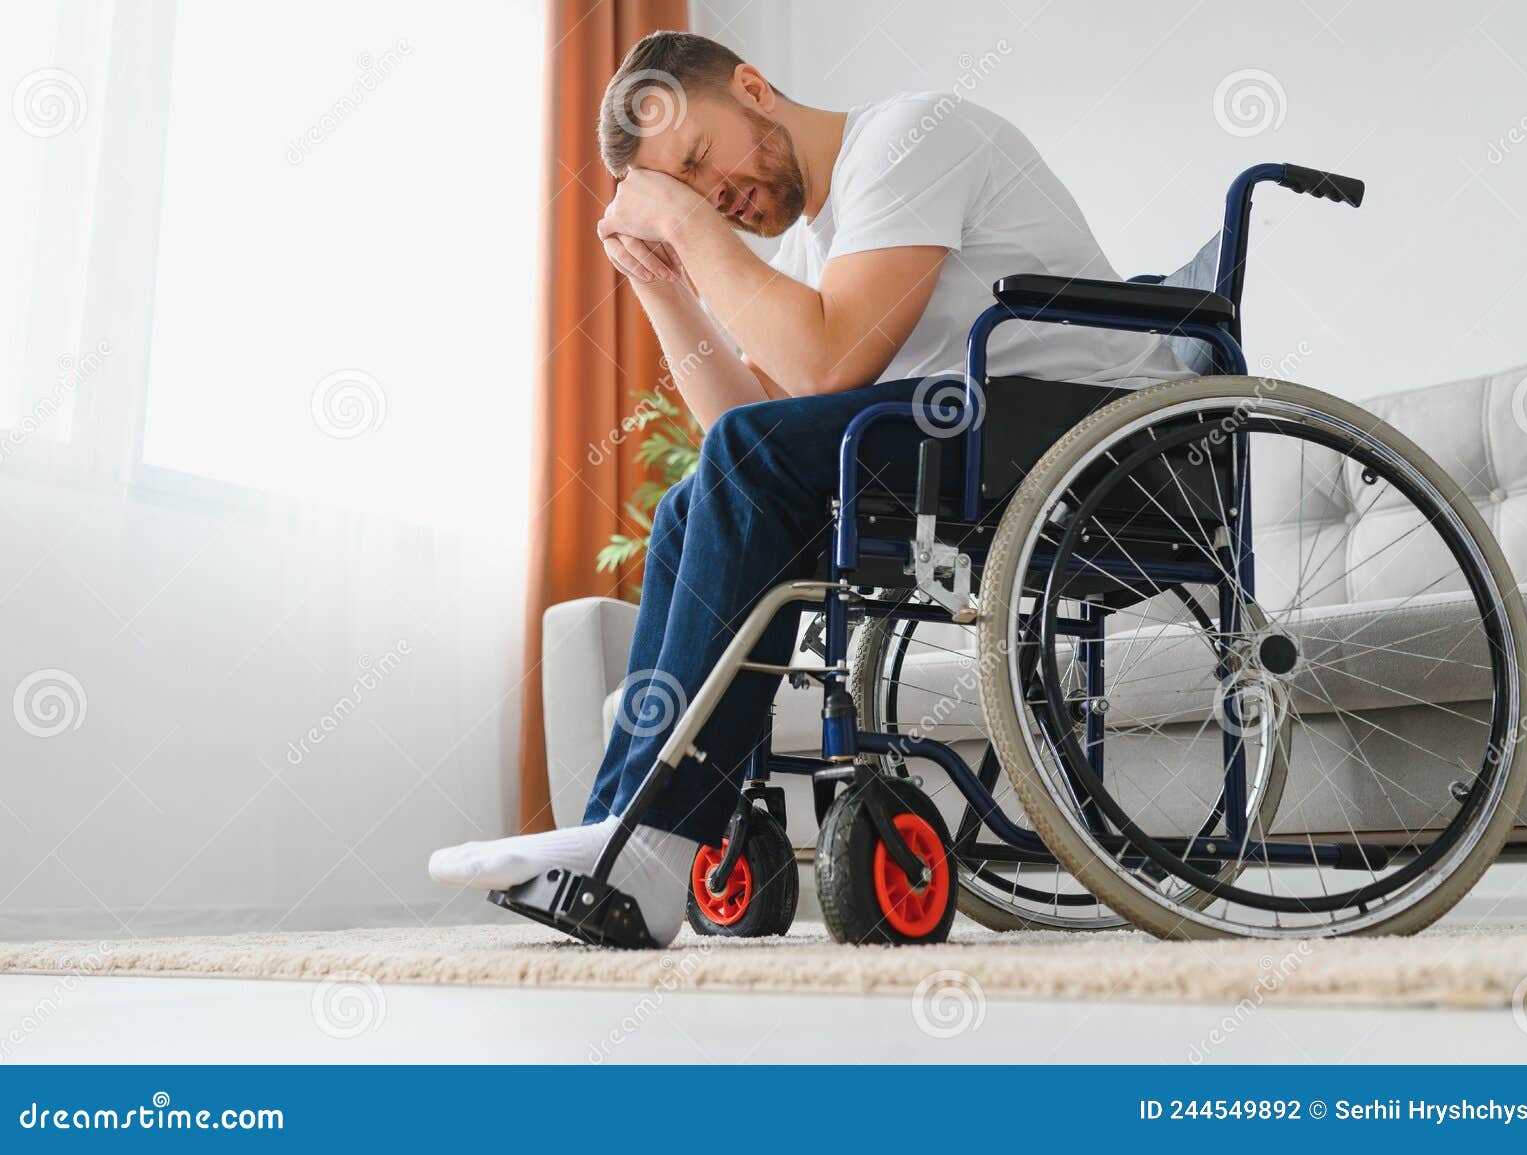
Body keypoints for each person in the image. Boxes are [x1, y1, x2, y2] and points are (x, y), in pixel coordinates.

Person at [429, 31, 1187, 945]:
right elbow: (738, 440)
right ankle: (632, 829)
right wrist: (666, 289)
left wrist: (683, 222)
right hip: (976, 447)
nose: (719, 199)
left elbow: (826, 362)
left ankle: (649, 840)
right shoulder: (807, 252)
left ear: (753, 87)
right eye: (692, 193)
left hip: (1090, 443)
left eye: (702, 161)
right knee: (688, 501)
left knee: (752, 457)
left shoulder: (909, 138)